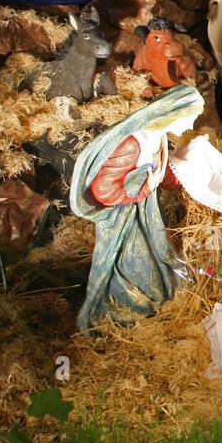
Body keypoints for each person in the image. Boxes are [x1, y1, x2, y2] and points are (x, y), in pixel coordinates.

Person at [69, 84, 203, 330]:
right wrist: (143, 190)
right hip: (124, 218)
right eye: (190, 118)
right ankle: (128, 304)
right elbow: (104, 190)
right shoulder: (133, 145)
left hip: (145, 212)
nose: (190, 126)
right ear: (173, 113)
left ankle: (153, 297)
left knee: (155, 252)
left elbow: (158, 173)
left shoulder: (158, 137)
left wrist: (183, 177)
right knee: (133, 261)